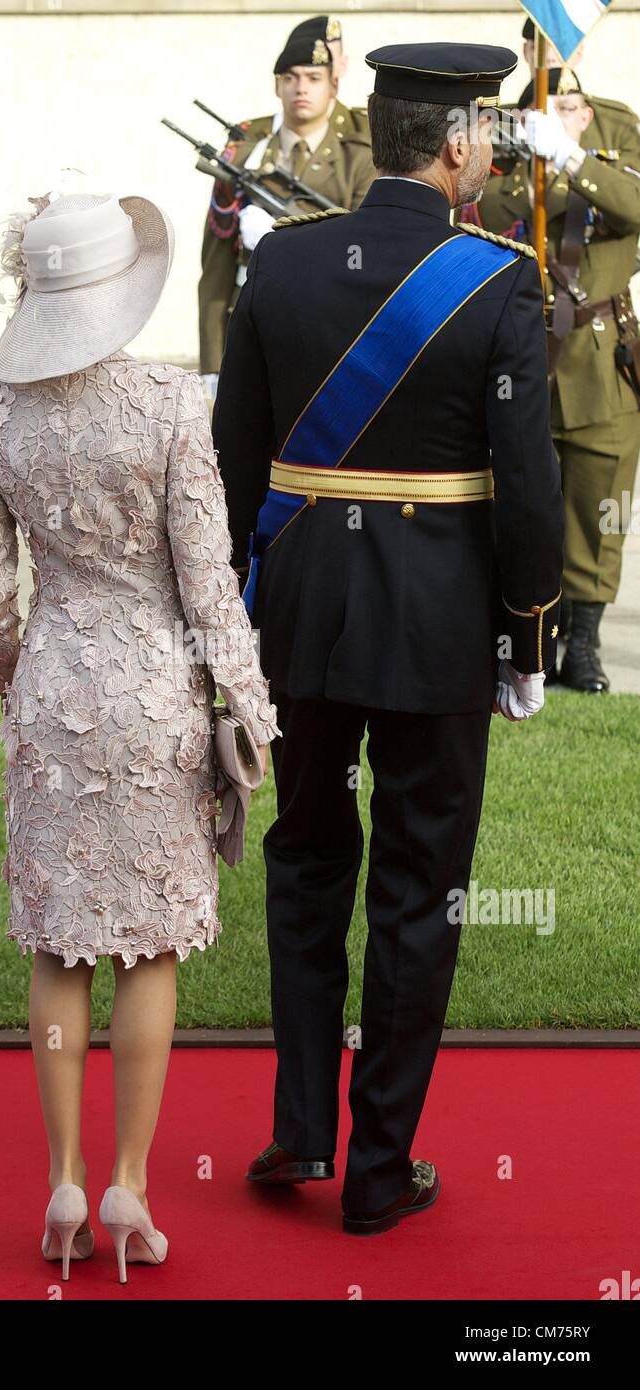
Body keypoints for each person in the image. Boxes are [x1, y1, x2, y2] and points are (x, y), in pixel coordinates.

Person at [211, 42, 564, 1235]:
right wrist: (527, 635)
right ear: (460, 143)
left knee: (307, 859)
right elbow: (528, 487)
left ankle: (302, 1128)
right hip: (437, 625)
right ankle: (379, 1171)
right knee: (420, 891)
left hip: (304, 614)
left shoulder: (287, 263)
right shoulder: (499, 279)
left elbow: (232, 457)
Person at [0, 190, 279, 1282]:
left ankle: (61, 1176)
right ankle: (129, 1182)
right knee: (145, 948)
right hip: (156, 701)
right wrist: (249, 708)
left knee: (58, 943)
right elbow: (209, 588)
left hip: (54, 693)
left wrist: (17, 683)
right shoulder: (171, 406)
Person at [464, 25, 640, 691]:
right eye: (540, 44)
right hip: (522, 357)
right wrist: (528, 156)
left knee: (600, 506)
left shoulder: (613, 137)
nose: (554, 57)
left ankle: (585, 648)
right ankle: (538, 635)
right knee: (524, 503)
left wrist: (568, 158)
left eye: (569, 106)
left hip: (598, 358)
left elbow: (632, 206)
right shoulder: (502, 149)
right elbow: (481, 212)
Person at [198, 15, 375, 392]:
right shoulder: (246, 152)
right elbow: (215, 272)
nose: (301, 89)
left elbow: (363, 252)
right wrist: (213, 365)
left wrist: (285, 237)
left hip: (332, 335)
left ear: (334, 86)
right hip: (251, 331)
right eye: (291, 78)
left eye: (313, 78)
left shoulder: (358, 155)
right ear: (278, 85)